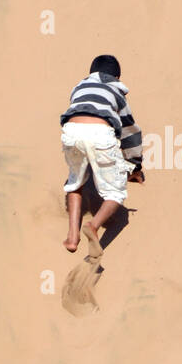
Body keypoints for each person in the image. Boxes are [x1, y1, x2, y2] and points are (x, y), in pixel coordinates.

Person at [59, 55, 145, 258]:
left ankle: (72, 238)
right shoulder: (117, 92)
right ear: (117, 76)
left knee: (75, 183)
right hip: (100, 133)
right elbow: (130, 132)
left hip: (71, 131)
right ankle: (93, 225)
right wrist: (135, 166)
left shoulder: (79, 87)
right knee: (115, 193)